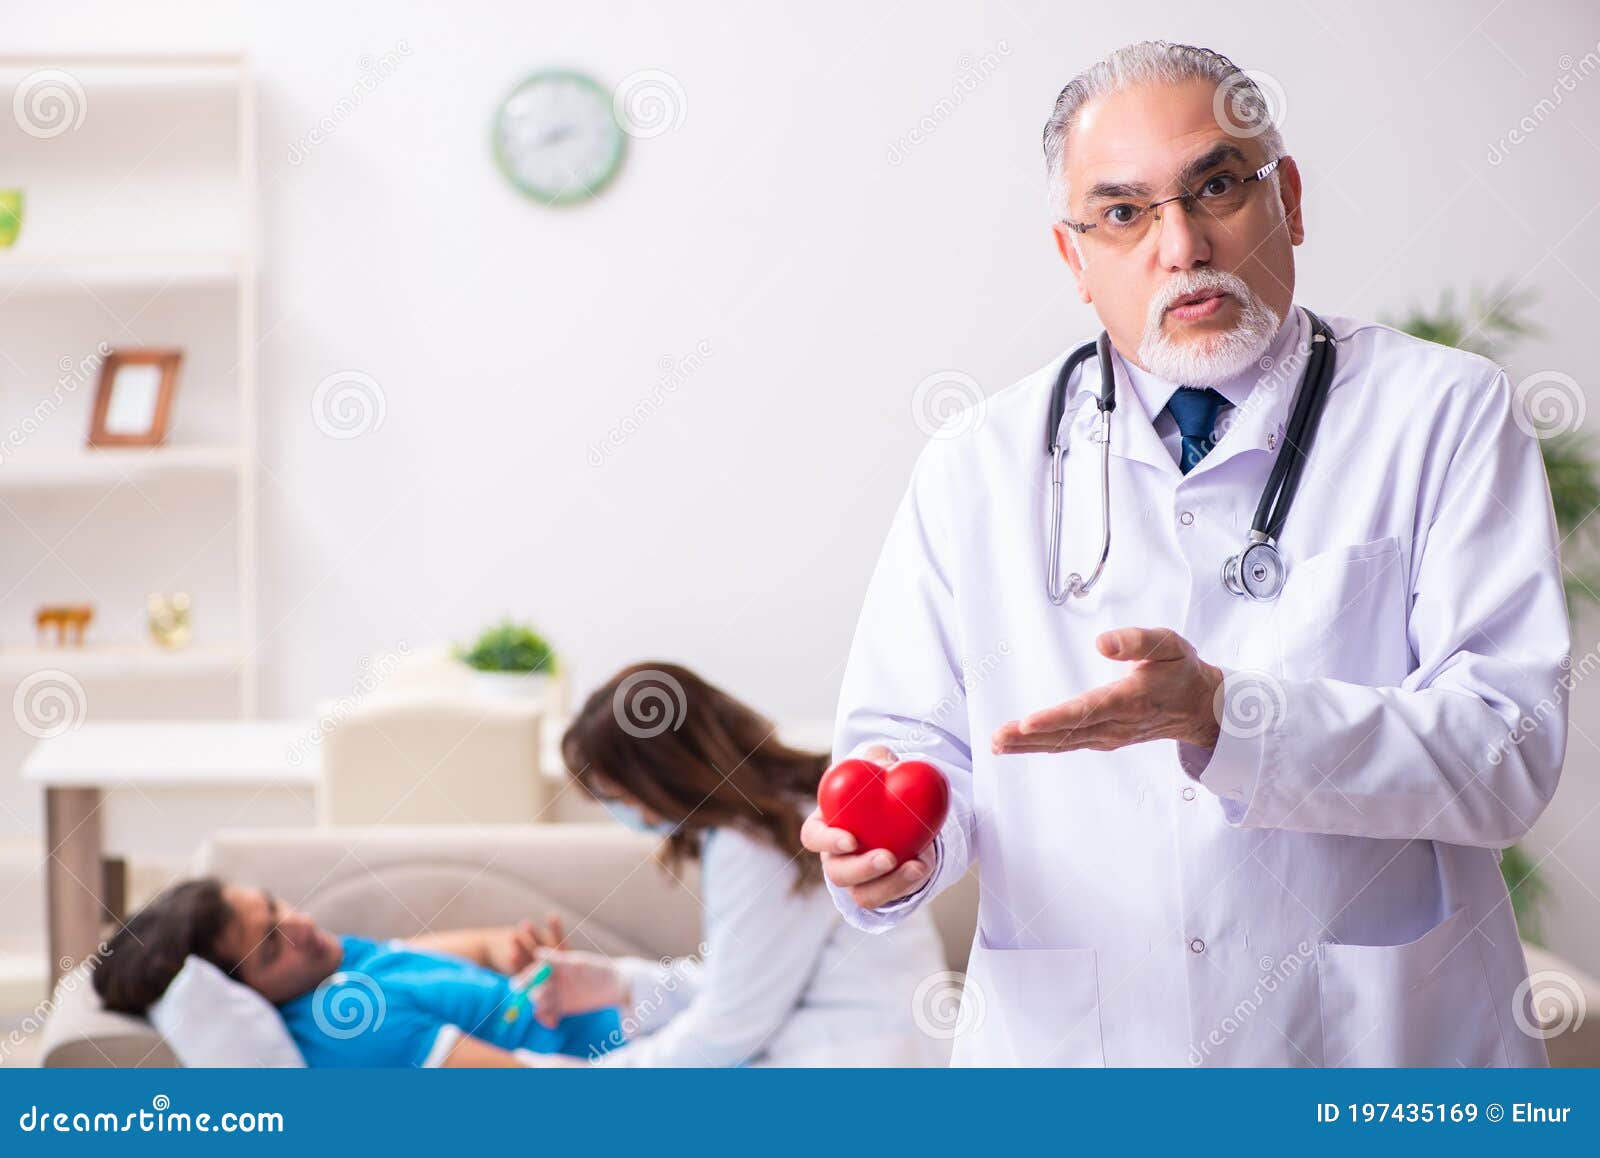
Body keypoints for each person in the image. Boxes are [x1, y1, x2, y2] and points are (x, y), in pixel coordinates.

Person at [802, 40, 1568, 1067]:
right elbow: (905, 743)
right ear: (1074, 258)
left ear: (1288, 200)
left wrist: (1225, 716)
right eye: (1122, 213)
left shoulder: (1443, 414)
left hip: (1376, 1049)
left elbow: (1505, 754)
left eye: (1215, 187)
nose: (1181, 244)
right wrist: (897, 855)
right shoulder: (975, 463)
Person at [538, 662, 949, 1066]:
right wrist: (620, 983)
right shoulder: (788, 808)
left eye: (624, 798)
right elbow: (750, 980)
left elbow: (730, 1028)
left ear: (661, 779)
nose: (633, 815)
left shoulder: (753, 844)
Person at [93, 878, 616, 1067]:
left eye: (275, 907)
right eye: (272, 946)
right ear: (246, 993)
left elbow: (481, 946)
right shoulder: (349, 1026)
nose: (299, 923)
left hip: (628, 1018)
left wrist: (515, 954)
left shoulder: (337, 964)